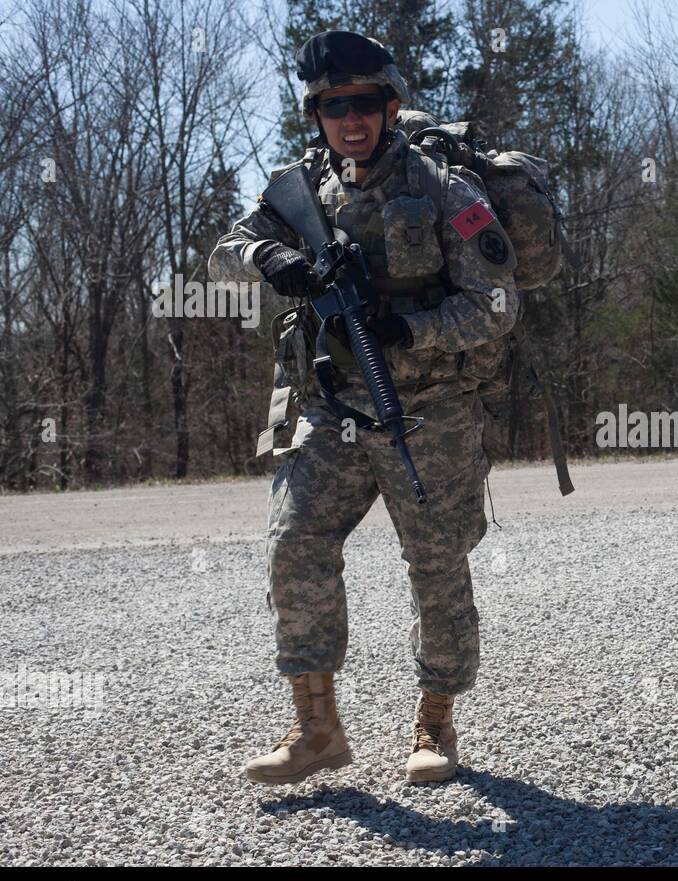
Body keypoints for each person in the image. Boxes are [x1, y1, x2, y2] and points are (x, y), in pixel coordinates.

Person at [208, 30, 520, 785]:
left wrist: (407, 327)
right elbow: (223, 254)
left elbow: (498, 304)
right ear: (316, 114)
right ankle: (316, 727)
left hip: (429, 410)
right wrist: (269, 257)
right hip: (331, 406)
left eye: (365, 104)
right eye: (334, 107)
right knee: (294, 544)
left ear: (390, 105)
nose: (351, 120)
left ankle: (436, 725)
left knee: (436, 564)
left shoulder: (445, 189)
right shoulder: (300, 188)